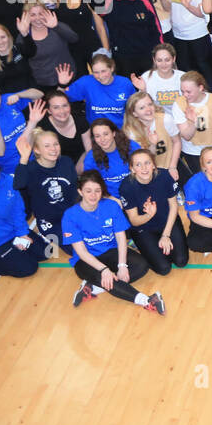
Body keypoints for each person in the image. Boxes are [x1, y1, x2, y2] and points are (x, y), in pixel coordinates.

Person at [62, 171, 165, 314]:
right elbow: (81, 252)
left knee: (141, 266)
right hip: (87, 260)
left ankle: (93, 288)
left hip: (111, 251)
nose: (93, 195)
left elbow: (121, 237)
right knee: (104, 276)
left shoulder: (111, 206)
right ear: (80, 191)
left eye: (97, 191)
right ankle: (146, 301)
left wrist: (122, 265)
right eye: (88, 191)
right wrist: (104, 270)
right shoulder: (70, 215)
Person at [118, 148, 190, 275]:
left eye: (147, 163)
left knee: (181, 261)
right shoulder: (127, 187)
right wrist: (149, 215)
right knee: (164, 268)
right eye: (138, 165)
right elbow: (134, 221)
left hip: (167, 222)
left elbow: (174, 206)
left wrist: (166, 235)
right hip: (143, 229)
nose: (144, 168)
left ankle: (158, 244)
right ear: (132, 169)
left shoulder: (164, 176)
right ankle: (141, 244)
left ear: (153, 165)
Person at [12, 124, 78, 246]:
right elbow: (18, 185)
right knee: (75, 247)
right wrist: (24, 158)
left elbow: (74, 191)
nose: (53, 149)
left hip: (72, 214)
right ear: (36, 150)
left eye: (56, 144)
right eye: (47, 146)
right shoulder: (31, 169)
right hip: (51, 222)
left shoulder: (66, 161)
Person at [60, 54, 136, 128]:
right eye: (96, 72)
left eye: (103, 71)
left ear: (112, 68)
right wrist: (62, 85)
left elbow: (136, 105)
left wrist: (143, 89)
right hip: (96, 132)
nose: (100, 76)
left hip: (119, 130)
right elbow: (59, 98)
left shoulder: (125, 83)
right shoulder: (86, 82)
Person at [78, 118, 138, 197]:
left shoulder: (131, 146)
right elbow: (91, 187)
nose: (102, 139)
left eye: (106, 134)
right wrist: (111, 199)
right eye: (97, 136)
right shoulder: (90, 159)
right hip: (110, 199)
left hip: (135, 192)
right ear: (94, 138)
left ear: (113, 133)